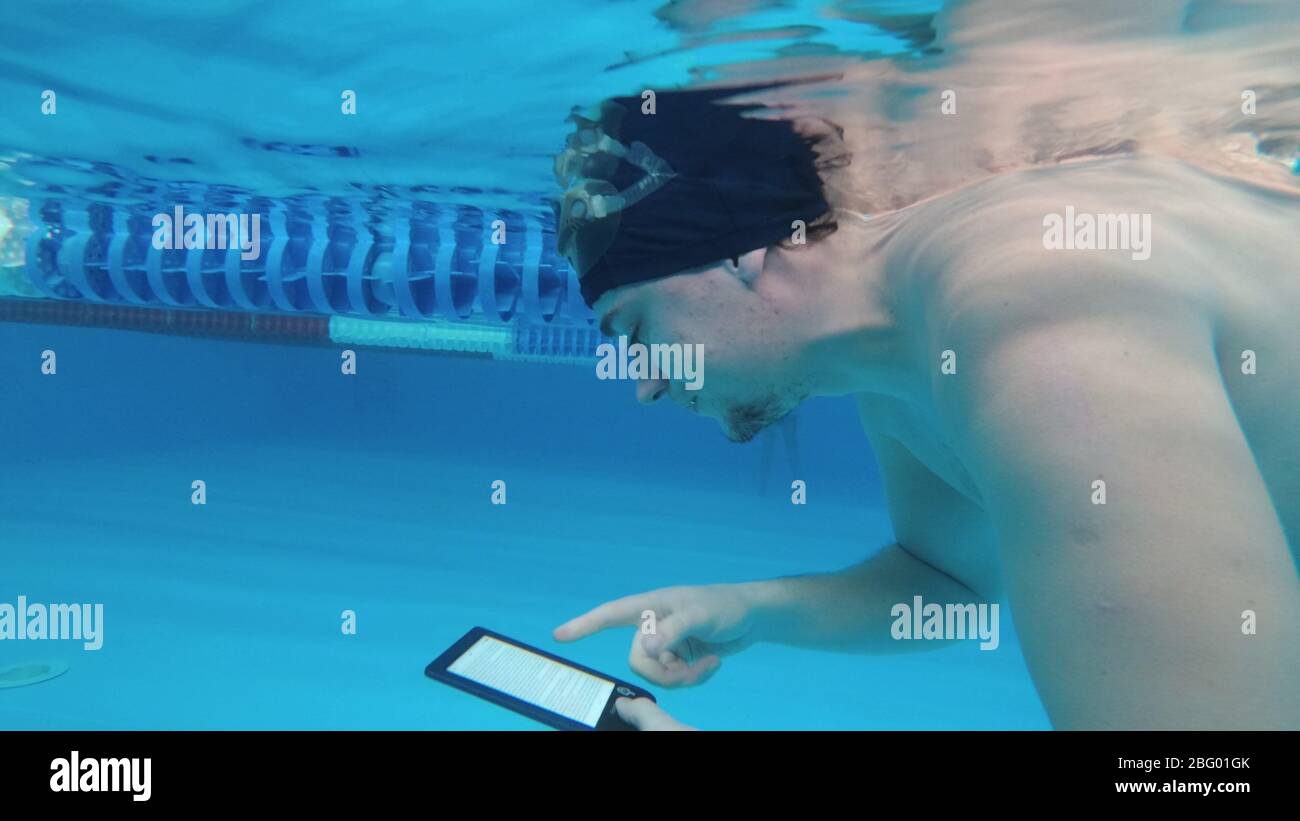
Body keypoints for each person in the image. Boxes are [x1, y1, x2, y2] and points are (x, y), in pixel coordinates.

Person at [549, 69, 1300, 730]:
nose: (643, 382)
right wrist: (751, 608)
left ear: (742, 255)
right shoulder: (900, 341)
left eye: (635, 328)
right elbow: (953, 583)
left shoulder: (1033, 325)